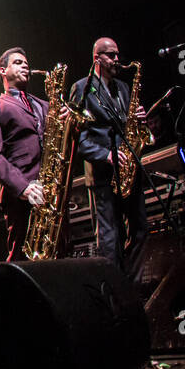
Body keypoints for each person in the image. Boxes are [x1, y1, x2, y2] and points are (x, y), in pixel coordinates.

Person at [69, 37, 149, 286]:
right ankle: (113, 294)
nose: (117, 60)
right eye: (111, 55)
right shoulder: (81, 88)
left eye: (117, 55)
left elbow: (127, 126)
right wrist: (107, 155)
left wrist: (139, 121)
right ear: (97, 58)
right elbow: (78, 140)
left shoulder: (123, 88)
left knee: (141, 230)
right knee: (110, 239)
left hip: (128, 171)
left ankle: (131, 287)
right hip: (104, 175)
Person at [0, 47, 49, 263]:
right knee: (23, 259)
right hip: (22, 195)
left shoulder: (46, 105)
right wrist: (23, 187)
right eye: (18, 62)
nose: (25, 65)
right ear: (2, 70)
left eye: (26, 62)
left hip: (51, 193)